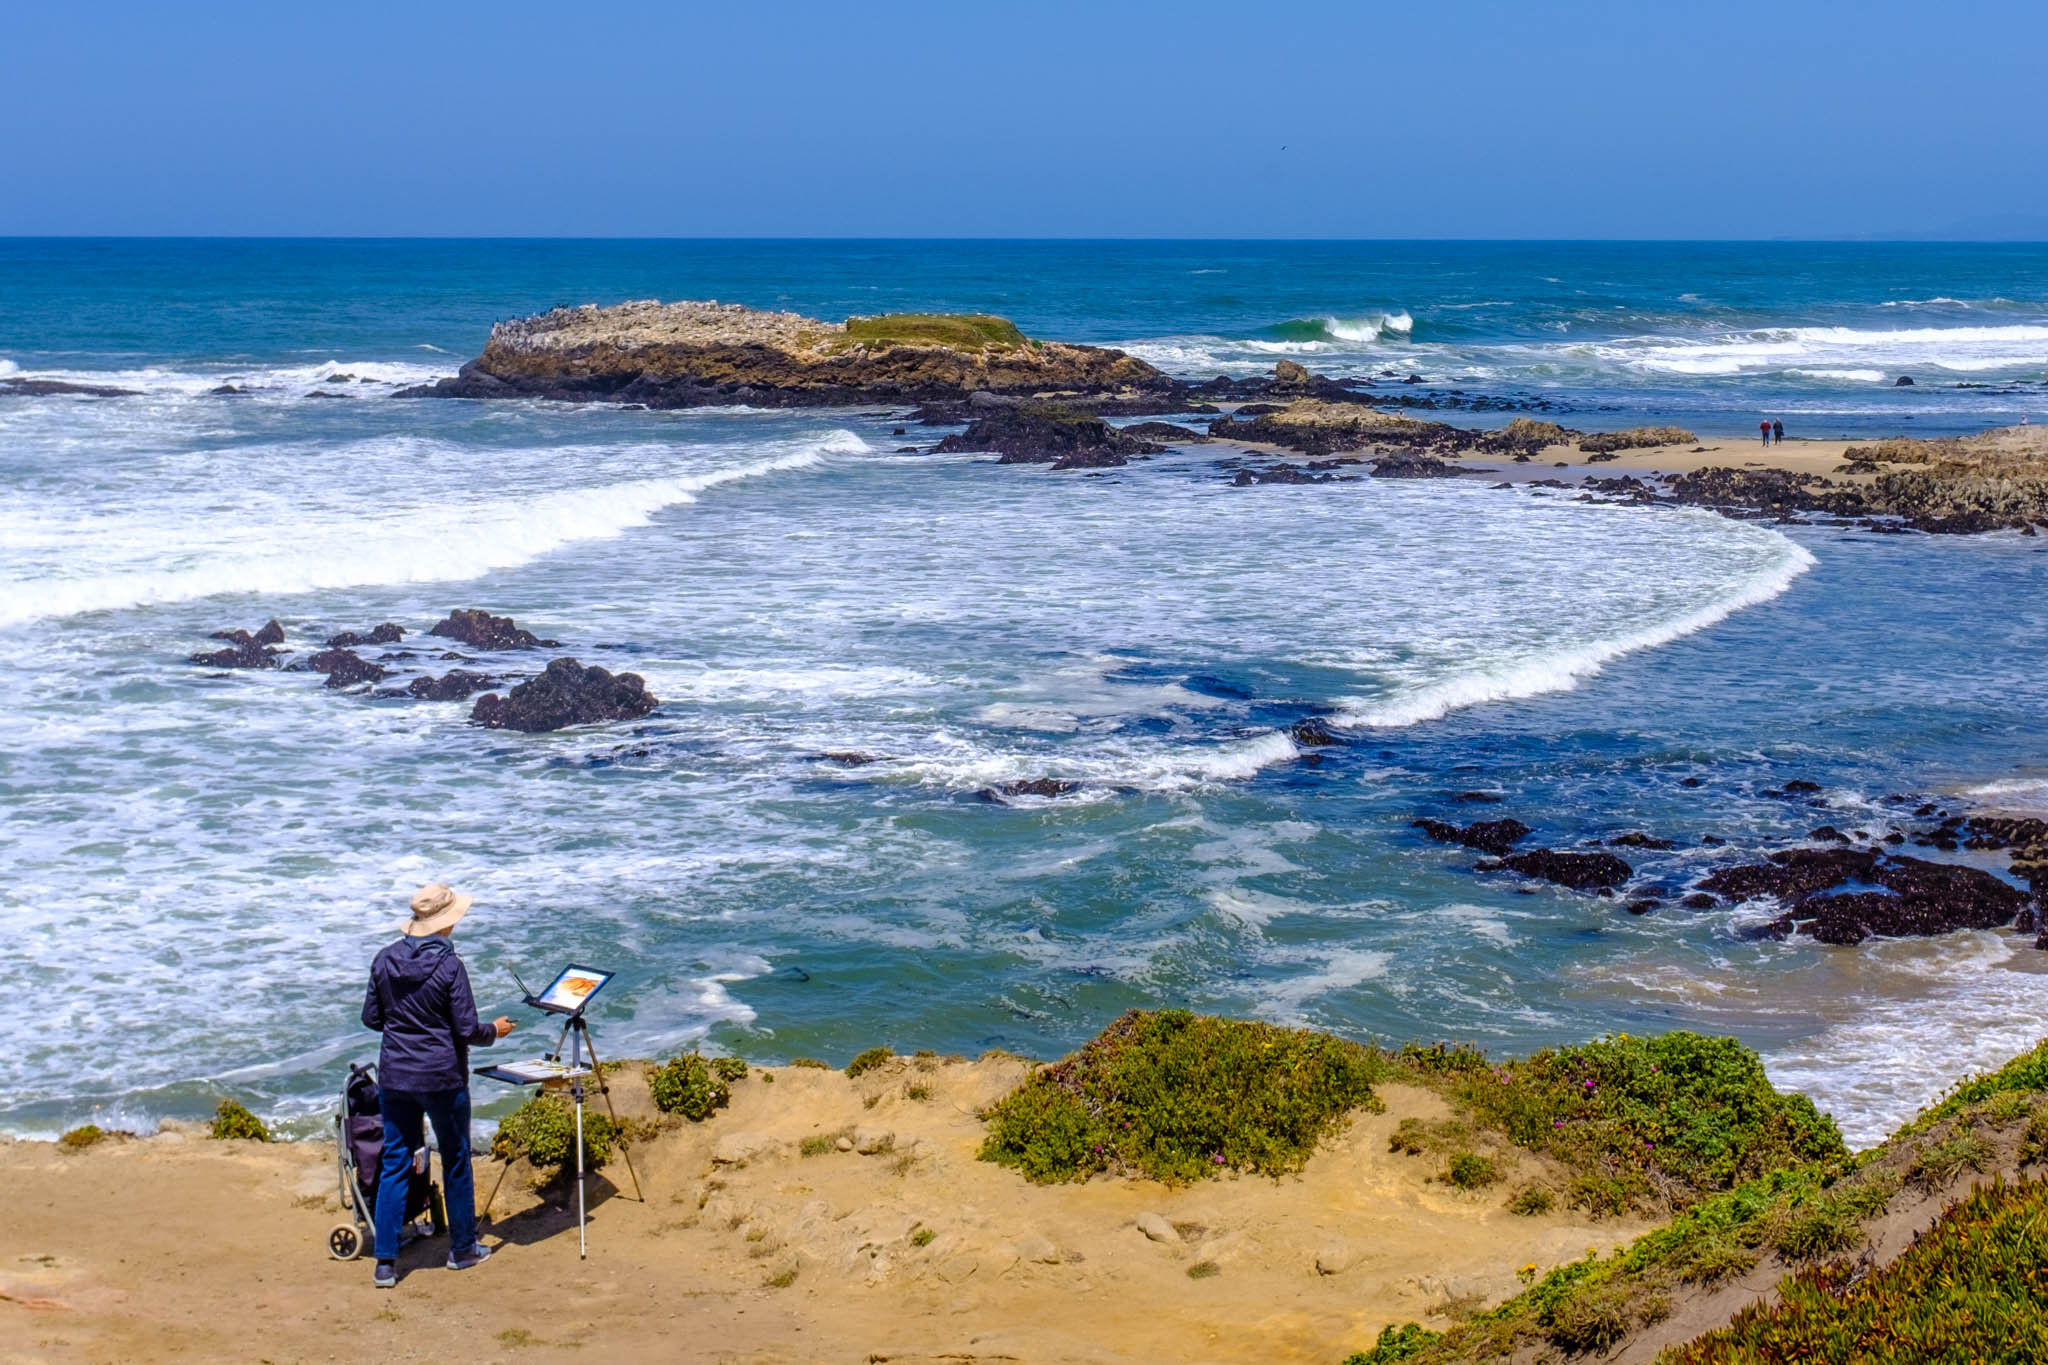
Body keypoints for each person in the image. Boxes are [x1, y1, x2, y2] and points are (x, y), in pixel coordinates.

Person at [361, 883, 515, 1288]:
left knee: (395, 1161)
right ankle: (463, 1249)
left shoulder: (384, 959)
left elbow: (372, 1019)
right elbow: (467, 1029)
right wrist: (495, 1031)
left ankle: (385, 1263)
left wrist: (405, 1026)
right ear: (446, 923)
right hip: (442, 1077)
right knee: (456, 1156)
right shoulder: (450, 967)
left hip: (395, 1075)